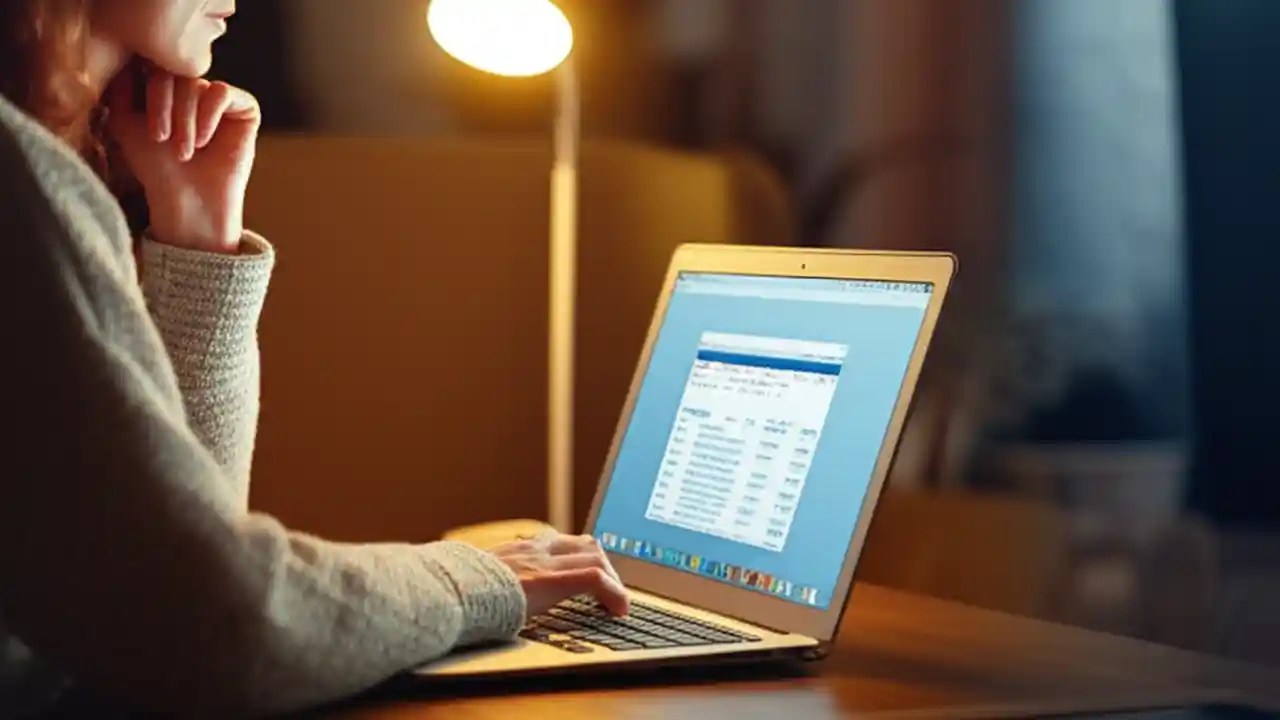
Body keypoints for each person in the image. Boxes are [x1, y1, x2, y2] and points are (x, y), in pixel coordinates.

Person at [0, 1, 629, 716]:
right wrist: (474, 580)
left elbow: (163, 564)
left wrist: (200, 238)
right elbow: (215, 622)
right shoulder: (18, 183)